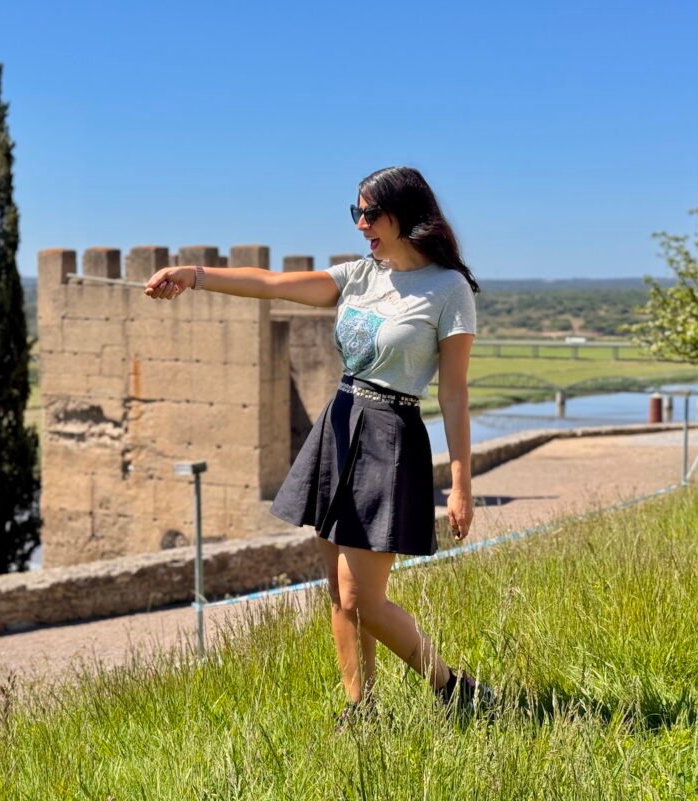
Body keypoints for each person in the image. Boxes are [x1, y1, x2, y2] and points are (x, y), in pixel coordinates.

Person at [143, 166, 489, 724]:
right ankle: (361, 710)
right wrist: (194, 275)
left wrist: (460, 486)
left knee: (364, 601)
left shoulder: (448, 290)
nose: (361, 225)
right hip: (340, 424)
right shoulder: (359, 276)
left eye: (371, 213)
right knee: (337, 593)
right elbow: (271, 283)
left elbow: (454, 394)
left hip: (390, 437)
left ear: (406, 215)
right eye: (356, 213)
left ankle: (455, 687)